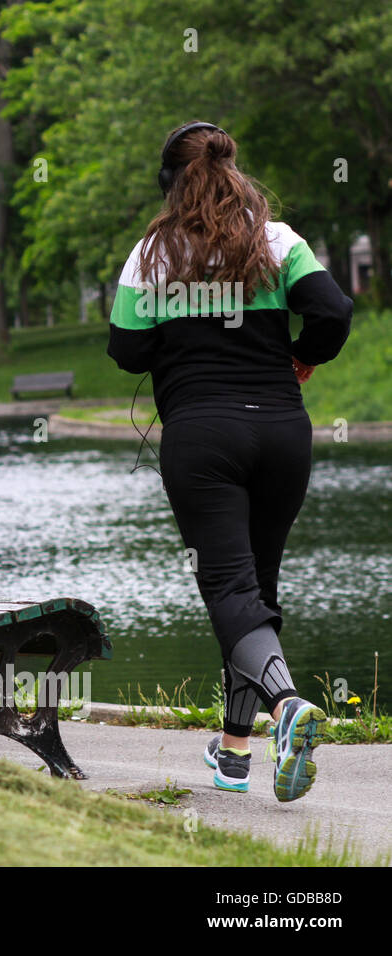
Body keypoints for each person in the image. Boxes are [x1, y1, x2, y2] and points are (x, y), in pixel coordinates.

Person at [107, 121, 352, 802]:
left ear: (169, 182)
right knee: (253, 597)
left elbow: (125, 349)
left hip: (202, 436)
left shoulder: (154, 252)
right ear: (232, 172)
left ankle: (287, 707)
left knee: (229, 592)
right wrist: (301, 355)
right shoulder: (276, 241)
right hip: (282, 433)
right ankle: (236, 753)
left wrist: (183, 341)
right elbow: (333, 311)